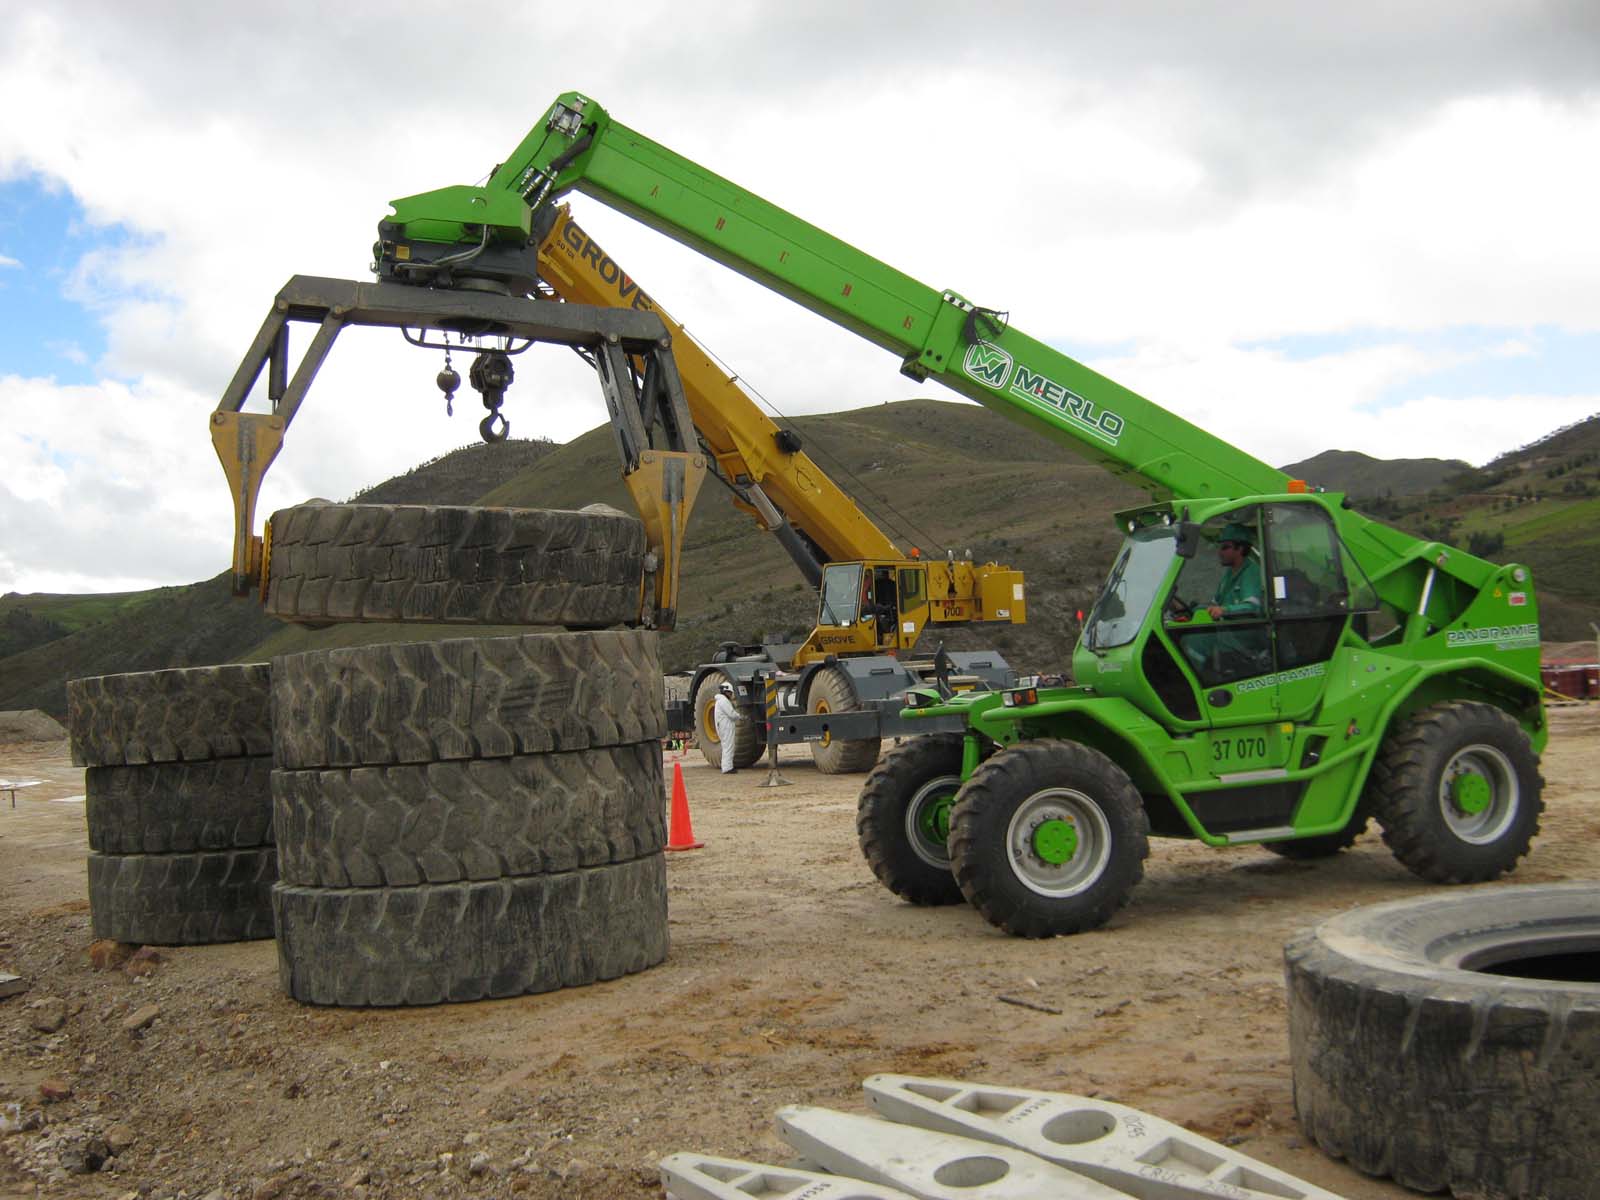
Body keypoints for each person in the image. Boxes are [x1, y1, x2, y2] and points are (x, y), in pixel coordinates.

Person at [712, 681, 747, 774]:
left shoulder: (720, 701)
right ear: (726, 691)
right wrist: (740, 717)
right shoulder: (723, 701)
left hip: (724, 726)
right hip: (726, 727)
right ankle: (727, 768)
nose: (731, 695)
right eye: (730, 693)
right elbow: (731, 714)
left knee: (726, 746)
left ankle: (726, 766)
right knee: (729, 746)